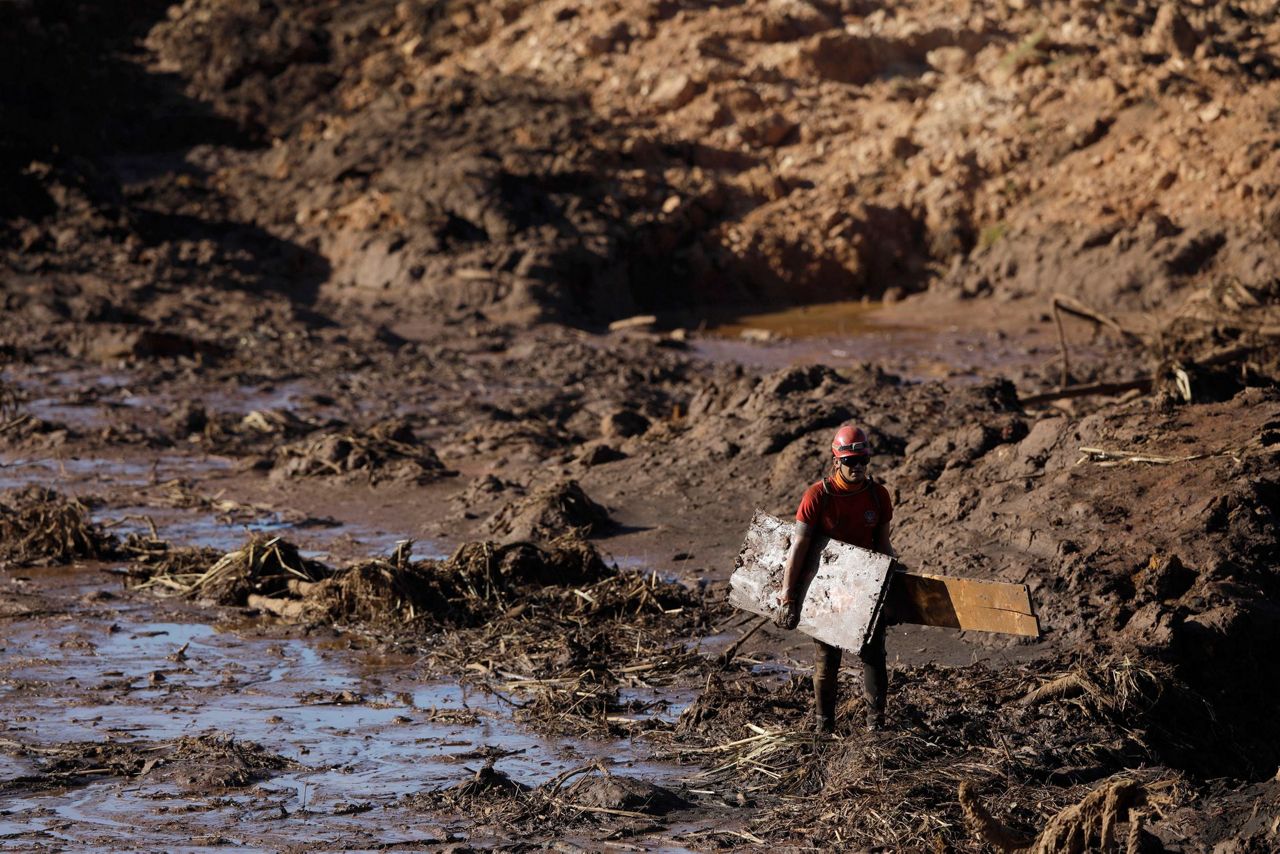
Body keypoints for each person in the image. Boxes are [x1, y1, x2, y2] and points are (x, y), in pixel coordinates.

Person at [775, 425, 894, 733]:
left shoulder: (878, 496)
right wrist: (787, 597)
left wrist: (890, 589)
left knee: (873, 654)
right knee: (827, 656)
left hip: (864, 585)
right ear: (836, 461)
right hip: (826, 588)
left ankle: (875, 726)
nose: (857, 467)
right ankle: (823, 727)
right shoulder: (818, 496)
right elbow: (798, 547)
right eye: (850, 461)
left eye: (862, 460)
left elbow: (883, 545)